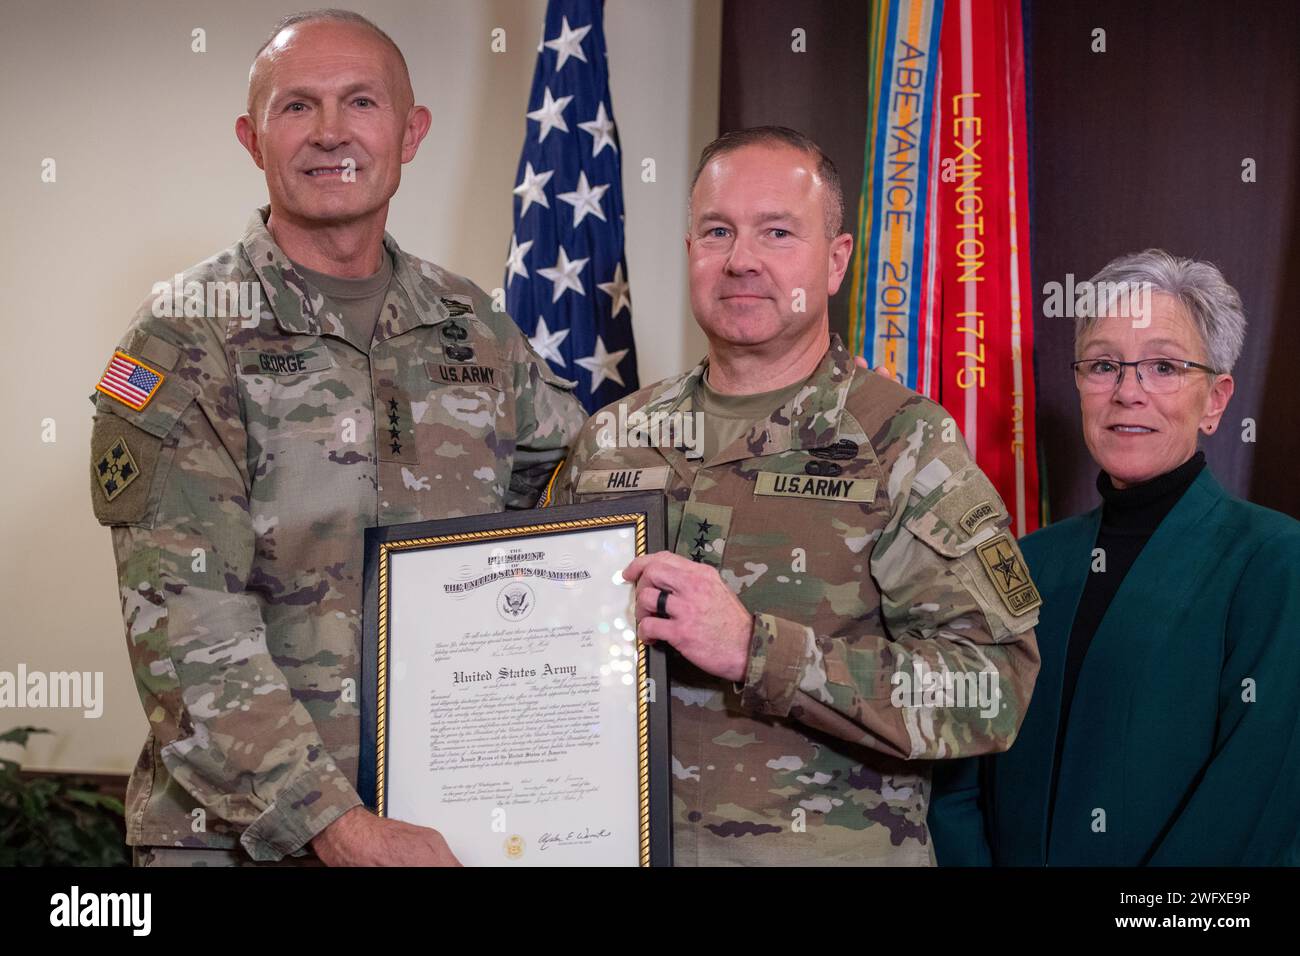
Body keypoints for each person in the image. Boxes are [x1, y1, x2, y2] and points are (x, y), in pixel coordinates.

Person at [88, 10, 584, 867]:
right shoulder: (181, 338)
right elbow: (187, 626)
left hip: (444, 824)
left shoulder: (475, 327)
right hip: (243, 841)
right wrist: (336, 825)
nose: (330, 133)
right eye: (296, 107)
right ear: (252, 138)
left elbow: (574, 504)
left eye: (361, 102)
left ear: (410, 130)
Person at [548, 126, 1042, 865]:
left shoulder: (902, 440)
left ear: (835, 260)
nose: (742, 259)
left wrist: (757, 648)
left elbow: (991, 691)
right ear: (690, 254)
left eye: (777, 232)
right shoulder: (611, 438)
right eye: (718, 231)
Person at [928, 250, 1300, 865]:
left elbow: (1254, 805)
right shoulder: (1024, 563)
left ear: (1215, 400)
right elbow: (959, 772)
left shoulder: (1274, 563)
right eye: (1104, 365)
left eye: (1163, 366)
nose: (1129, 392)